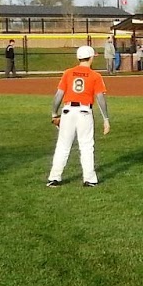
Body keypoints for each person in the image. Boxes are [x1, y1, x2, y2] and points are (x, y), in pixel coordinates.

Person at [48, 45, 110, 186]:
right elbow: (100, 98)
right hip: (84, 112)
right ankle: (89, 179)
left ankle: (54, 178)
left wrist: (54, 114)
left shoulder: (68, 73)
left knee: (63, 146)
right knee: (86, 146)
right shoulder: (95, 76)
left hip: (67, 111)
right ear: (90, 57)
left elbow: (58, 95)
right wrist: (106, 119)